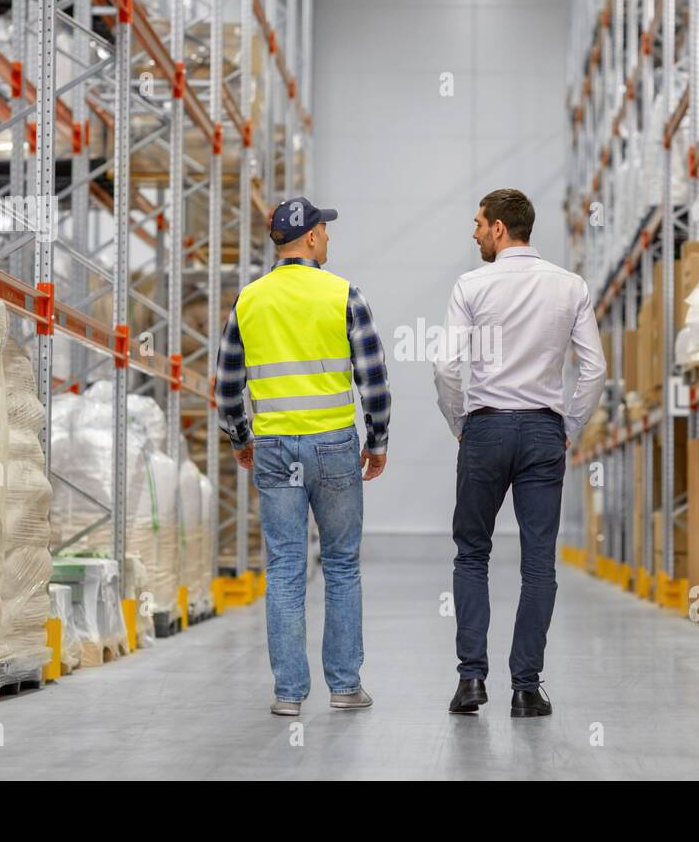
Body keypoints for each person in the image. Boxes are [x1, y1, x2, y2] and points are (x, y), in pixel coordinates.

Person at [432, 188, 606, 718]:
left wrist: (462, 421)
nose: (475, 233)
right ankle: (526, 688)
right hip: (542, 434)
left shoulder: (472, 284)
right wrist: (567, 425)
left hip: (485, 430)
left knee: (472, 554)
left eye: (479, 224)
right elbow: (594, 369)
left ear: (500, 230)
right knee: (538, 564)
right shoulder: (570, 286)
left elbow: (444, 366)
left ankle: (470, 681)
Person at [216, 196, 390, 717]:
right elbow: (374, 378)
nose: (329, 238)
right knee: (340, 565)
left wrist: (240, 437)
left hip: (273, 447)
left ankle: (289, 694)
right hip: (335, 445)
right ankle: (344, 686)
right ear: (311, 237)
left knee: (287, 568)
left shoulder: (249, 300)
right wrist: (376, 440)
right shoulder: (343, 295)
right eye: (325, 231)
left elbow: (227, 385)